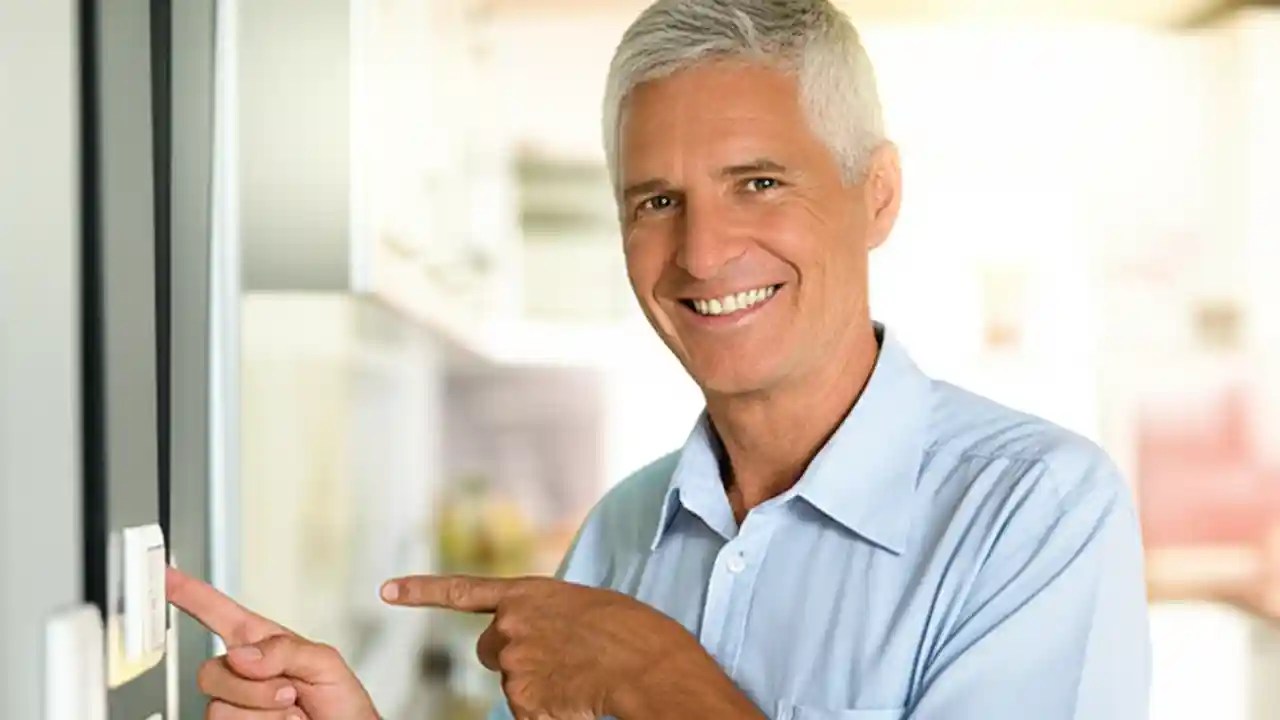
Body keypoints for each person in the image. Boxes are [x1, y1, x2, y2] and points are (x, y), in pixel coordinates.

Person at [168, 0, 1152, 718]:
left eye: (757, 182)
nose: (699, 252)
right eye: (654, 202)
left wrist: (652, 676)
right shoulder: (619, 535)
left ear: (876, 196)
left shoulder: (1033, 514)